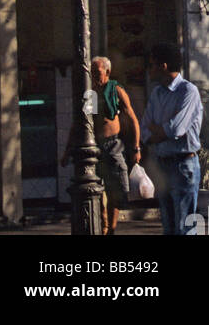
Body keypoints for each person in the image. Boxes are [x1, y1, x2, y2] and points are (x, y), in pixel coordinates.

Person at [60, 55, 141, 235]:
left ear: (107, 72)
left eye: (98, 72)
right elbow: (78, 124)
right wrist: (67, 152)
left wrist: (136, 147)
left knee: (116, 189)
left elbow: (133, 119)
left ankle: (110, 228)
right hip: (94, 149)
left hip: (113, 145)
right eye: (93, 73)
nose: (95, 76)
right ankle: (103, 225)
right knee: (96, 190)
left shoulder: (116, 90)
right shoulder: (91, 95)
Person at [140, 43, 204, 236]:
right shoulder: (157, 93)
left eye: (152, 65)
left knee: (184, 227)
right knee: (168, 227)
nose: (149, 70)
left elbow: (176, 128)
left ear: (164, 66)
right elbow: (145, 129)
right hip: (162, 164)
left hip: (183, 165)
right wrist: (161, 131)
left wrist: (160, 131)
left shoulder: (188, 91)